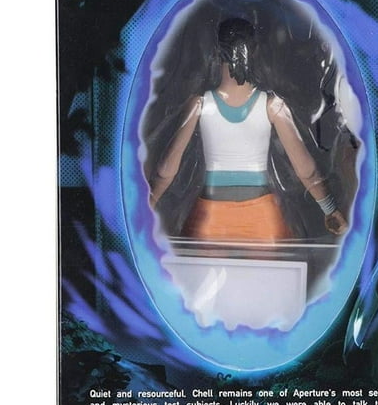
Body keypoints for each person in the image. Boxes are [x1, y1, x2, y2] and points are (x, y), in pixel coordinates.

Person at [149, 18, 348, 243]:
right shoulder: (273, 106)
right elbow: (307, 171)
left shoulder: (199, 104)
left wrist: (148, 203)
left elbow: (166, 169)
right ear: (254, 52)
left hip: (210, 219)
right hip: (262, 220)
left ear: (217, 52)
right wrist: (330, 209)